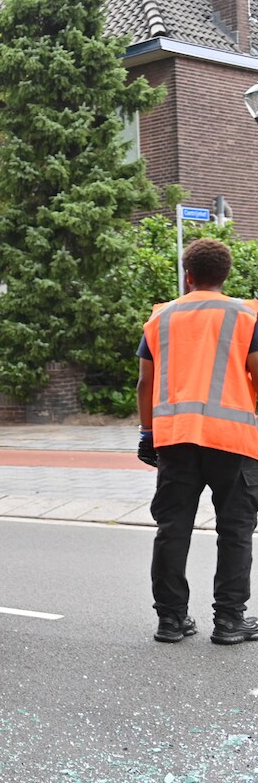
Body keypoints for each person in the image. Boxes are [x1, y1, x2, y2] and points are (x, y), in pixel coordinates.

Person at [137, 238, 258, 645]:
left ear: (188, 276)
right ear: (225, 275)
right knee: (236, 531)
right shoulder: (245, 316)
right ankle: (229, 622)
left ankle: (170, 621)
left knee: (173, 529)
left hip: (176, 440)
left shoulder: (161, 319)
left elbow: (145, 383)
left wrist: (146, 432)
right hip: (233, 441)